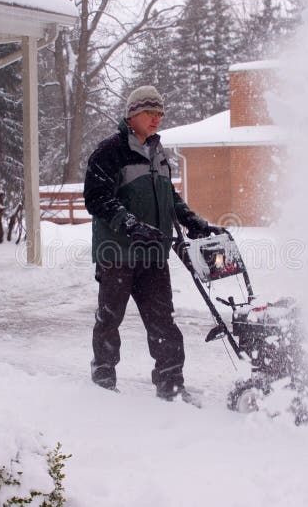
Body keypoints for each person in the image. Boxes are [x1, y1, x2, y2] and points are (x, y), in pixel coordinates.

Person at [83, 85, 223, 400]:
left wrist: (193, 222)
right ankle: (103, 384)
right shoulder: (109, 152)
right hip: (117, 254)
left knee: (163, 322)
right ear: (132, 115)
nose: (157, 119)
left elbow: (168, 197)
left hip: (154, 255)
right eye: (151, 113)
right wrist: (129, 224)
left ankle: (171, 386)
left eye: (160, 113)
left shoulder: (157, 154)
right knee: (110, 319)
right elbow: (96, 198)